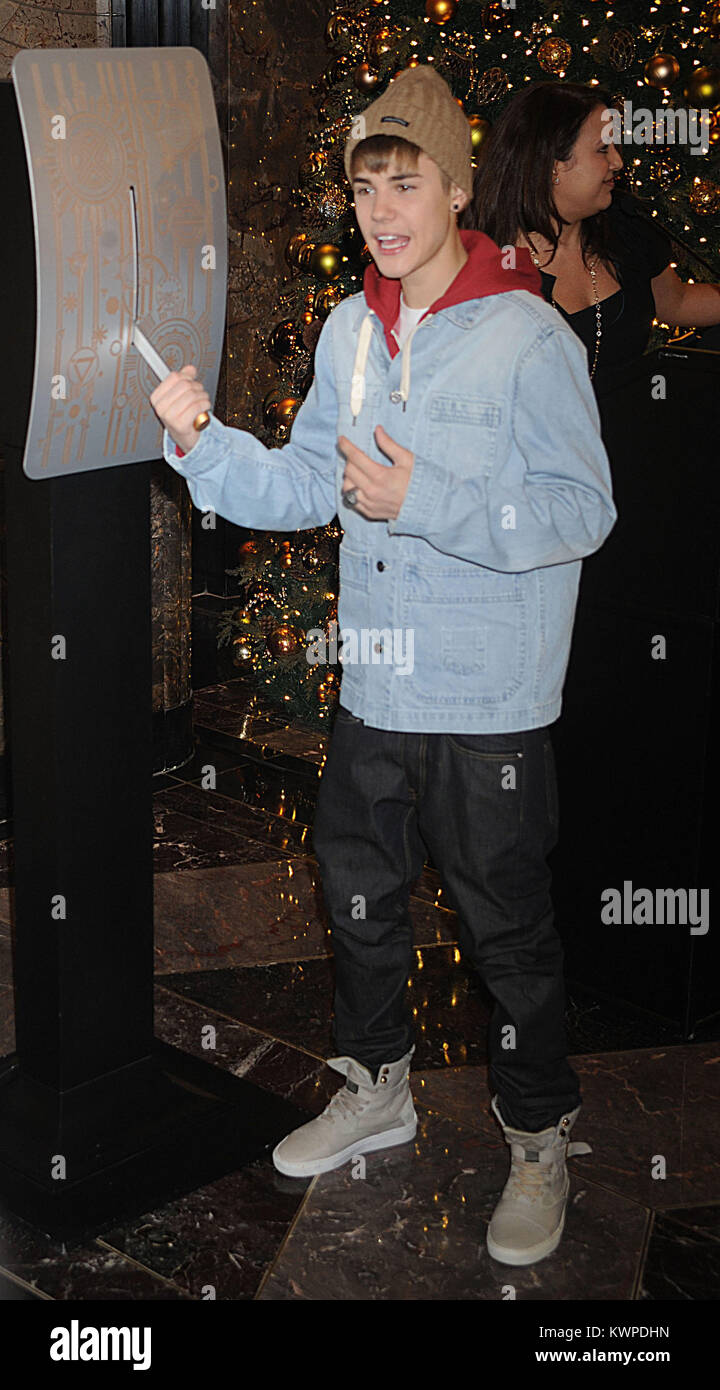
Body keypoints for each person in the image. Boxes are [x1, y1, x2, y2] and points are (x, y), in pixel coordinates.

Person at [149, 65, 616, 1268]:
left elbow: (583, 509)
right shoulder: (353, 329)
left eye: (407, 185)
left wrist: (432, 498)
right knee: (356, 900)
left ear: (458, 188)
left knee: (508, 928)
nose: (384, 213)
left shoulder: (528, 335)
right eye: (366, 191)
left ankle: (537, 1135)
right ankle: (378, 1089)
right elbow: (308, 481)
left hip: (491, 696)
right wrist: (203, 444)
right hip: (380, 684)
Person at [461, 81, 720, 394]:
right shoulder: (479, 262)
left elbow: (676, 302)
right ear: (553, 165)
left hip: (632, 435)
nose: (618, 162)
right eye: (602, 149)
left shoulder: (625, 225)